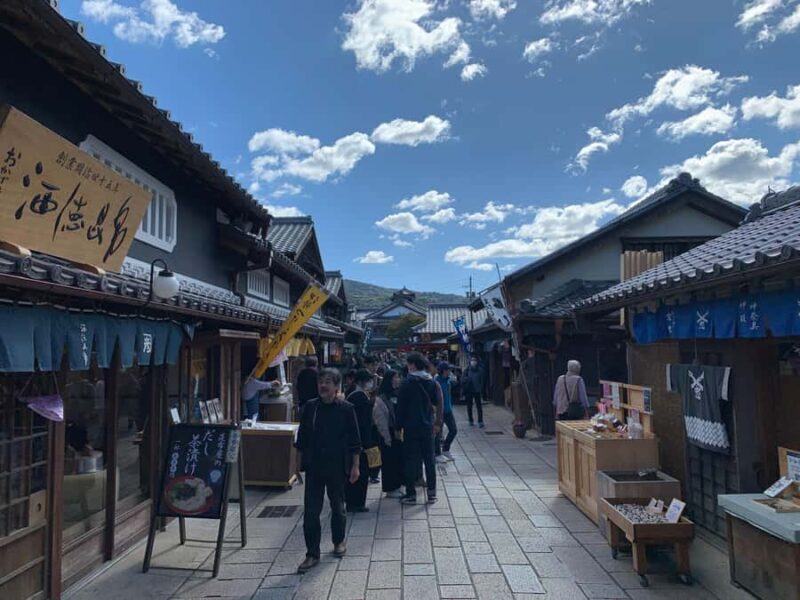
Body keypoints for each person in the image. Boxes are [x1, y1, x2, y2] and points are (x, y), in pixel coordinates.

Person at [295, 369, 361, 573]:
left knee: (338, 507)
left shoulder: (347, 409)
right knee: (311, 512)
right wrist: (297, 466)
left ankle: (338, 541)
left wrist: (355, 466)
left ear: (336, 386)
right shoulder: (310, 407)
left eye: (328, 382)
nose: (323, 385)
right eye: (321, 382)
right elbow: (302, 438)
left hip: (337, 465)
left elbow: (354, 441)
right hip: (315, 465)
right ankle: (312, 553)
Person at [396, 352, 442, 505]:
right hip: (427, 426)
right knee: (429, 459)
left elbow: (401, 408)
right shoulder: (432, 382)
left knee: (411, 459)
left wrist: (398, 427)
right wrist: (437, 424)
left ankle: (411, 494)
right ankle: (432, 493)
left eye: (409, 364)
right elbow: (437, 403)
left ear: (413, 365)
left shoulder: (406, 383)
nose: (407, 367)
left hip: (411, 427)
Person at [344, 370, 375, 512]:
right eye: (369, 380)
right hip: (360, 440)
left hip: (354, 439)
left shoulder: (353, 395)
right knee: (360, 471)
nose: (371, 383)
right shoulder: (360, 397)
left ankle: (354, 501)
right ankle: (356, 503)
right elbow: (364, 422)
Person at [373, 369, 403, 497]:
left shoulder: (397, 394)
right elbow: (380, 420)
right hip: (387, 433)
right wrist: (386, 436)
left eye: (398, 377)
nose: (398, 380)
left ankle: (397, 485)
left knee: (397, 460)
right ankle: (390, 488)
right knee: (389, 461)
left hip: (397, 432)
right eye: (395, 377)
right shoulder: (381, 399)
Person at [434, 362, 458, 462]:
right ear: (443, 371)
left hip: (448, 410)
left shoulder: (448, 381)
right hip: (439, 411)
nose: (449, 371)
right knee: (438, 432)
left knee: (453, 430)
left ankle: (445, 449)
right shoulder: (436, 382)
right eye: (447, 370)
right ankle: (437, 454)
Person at [462, 357, 485, 428]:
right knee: (469, 406)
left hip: (477, 391)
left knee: (479, 406)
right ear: (470, 361)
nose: (473, 362)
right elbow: (463, 379)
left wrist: (481, 389)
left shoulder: (480, 370)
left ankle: (480, 421)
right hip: (469, 390)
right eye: (472, 360)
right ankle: (470, 420)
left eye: (475, 360)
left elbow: (482, 381)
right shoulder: (467, 370)